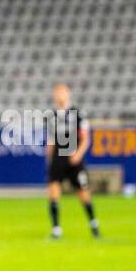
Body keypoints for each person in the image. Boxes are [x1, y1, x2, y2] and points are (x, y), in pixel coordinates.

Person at [45, 83, 100, 239]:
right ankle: (56, 230)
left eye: (62, 91)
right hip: (57, 158)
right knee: (53, 192)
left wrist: (78, 154)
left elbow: (85, 138)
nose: (60, 95)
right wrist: (49, 160)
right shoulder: (51, 116)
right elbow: (50, 141)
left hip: (73, 157)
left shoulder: (78, 114)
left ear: (68, 94)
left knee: (83, 193)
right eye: (57, 92)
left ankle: (94, 225)